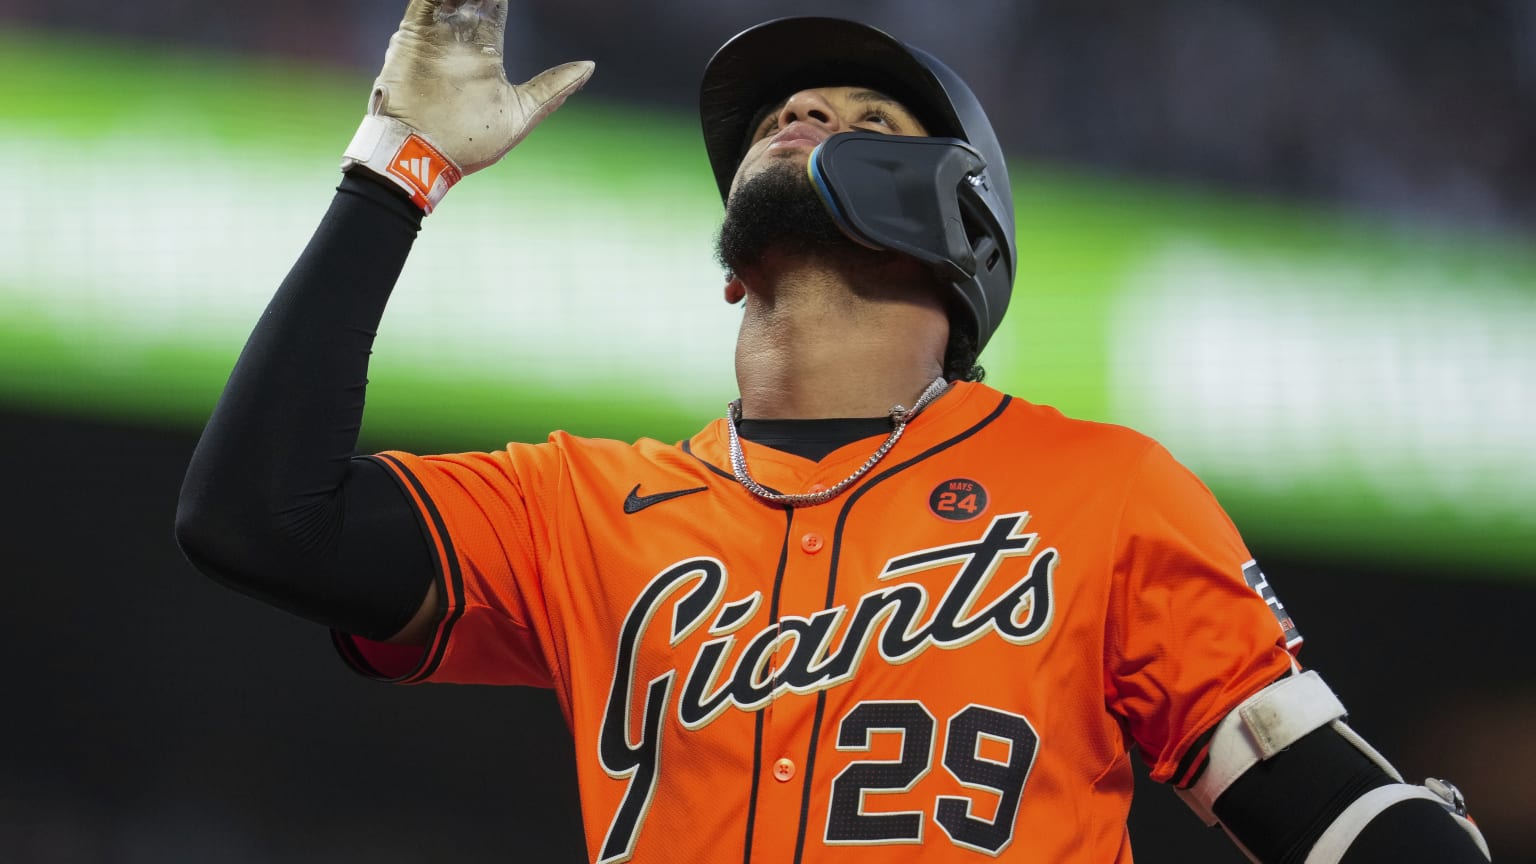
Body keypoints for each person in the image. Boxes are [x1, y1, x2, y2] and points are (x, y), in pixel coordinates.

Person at [175, 3, 1492, 862]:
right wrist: (397, 165)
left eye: (864, 122)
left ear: (961, 226)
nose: (796, 118)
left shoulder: (1106, 492)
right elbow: (258, 520)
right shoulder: (584, 509)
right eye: (781, 117)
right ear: (731, 266)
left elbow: (1339, 815)